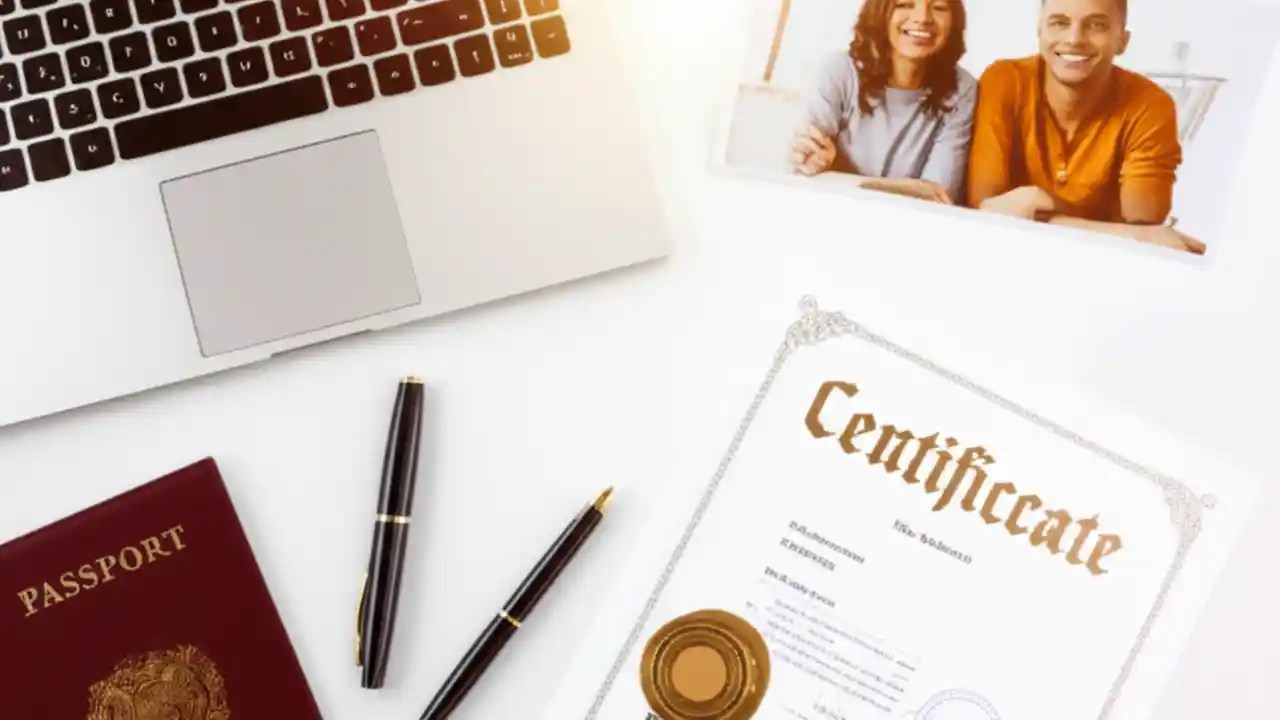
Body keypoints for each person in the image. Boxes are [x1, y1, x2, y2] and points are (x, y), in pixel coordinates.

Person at [967, 0, 1206, 254]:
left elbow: (1144, 231)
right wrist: (1121, 233)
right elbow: (983, 211)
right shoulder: (1005, 81)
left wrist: (1036, 205)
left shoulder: (1150, 106)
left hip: (1101, 265)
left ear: (1122, 41)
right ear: (1040, 31)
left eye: (1096, 25)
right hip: (1001, 252)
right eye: (1059, 23)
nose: (1074, 39)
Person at [792, 0, 976, 205]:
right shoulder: (838, 72)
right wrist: (914, 188)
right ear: (879, 12)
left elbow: (939, 197)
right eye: (905, 4)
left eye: (939, 7)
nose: (922, 18)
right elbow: (805, 171)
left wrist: (840, 175)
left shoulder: (962, 88)